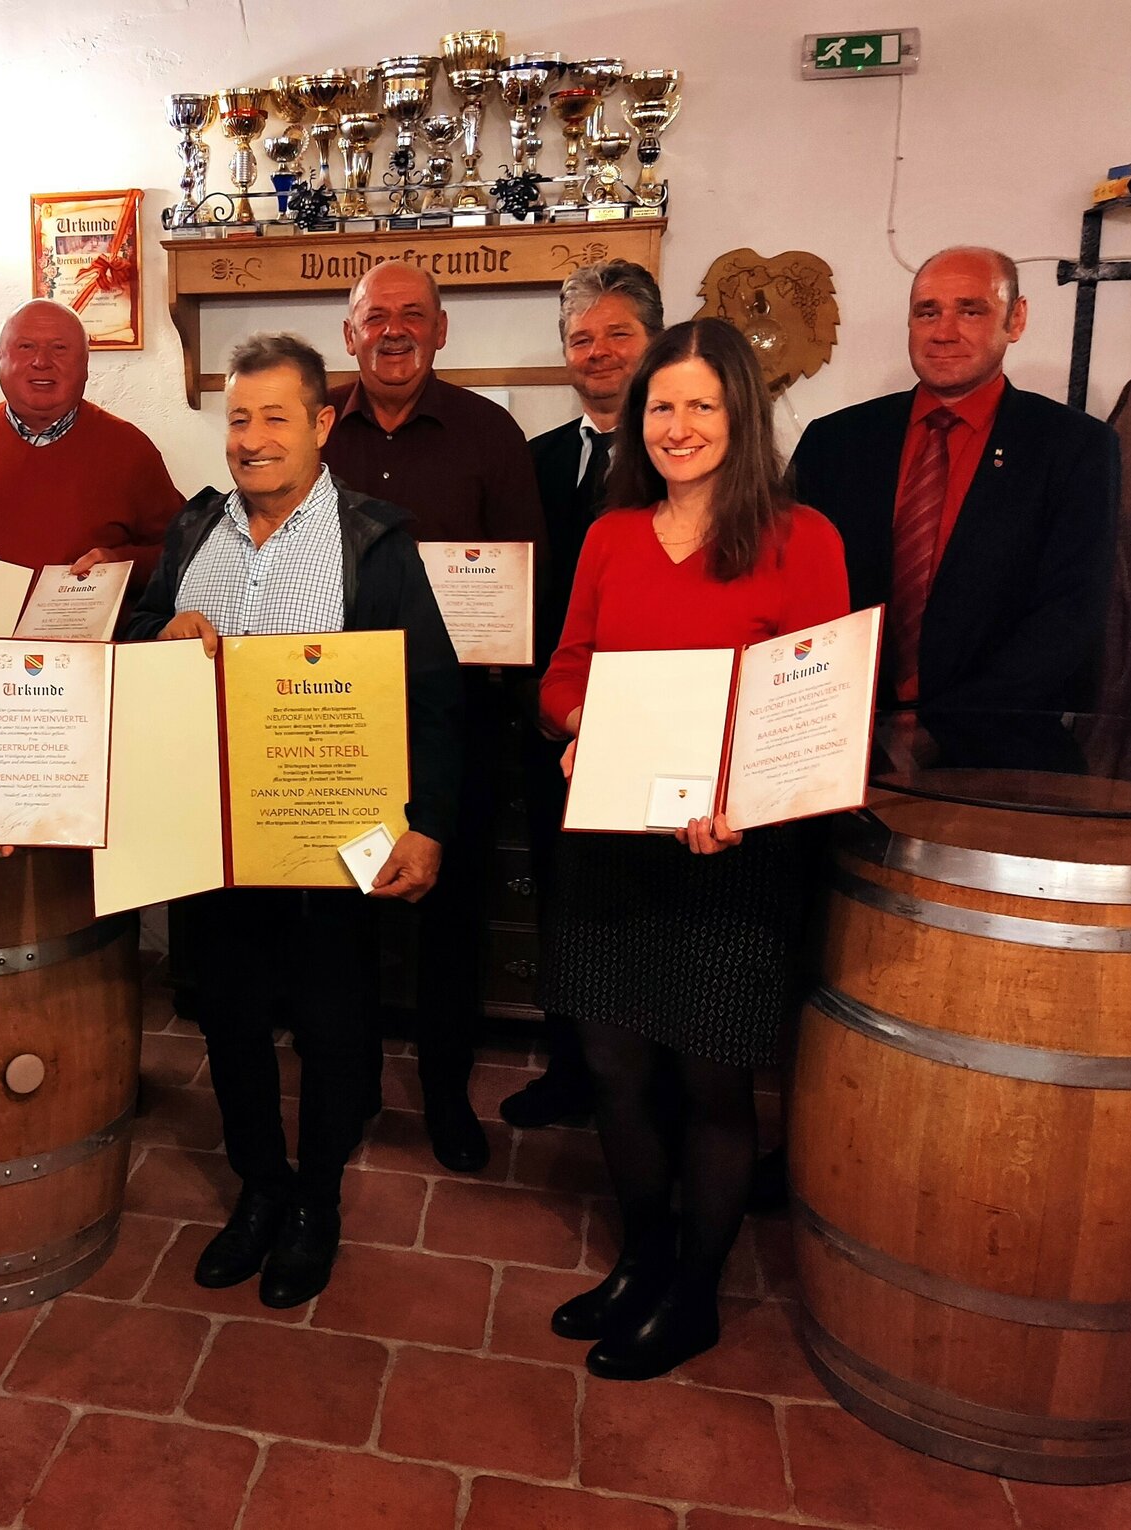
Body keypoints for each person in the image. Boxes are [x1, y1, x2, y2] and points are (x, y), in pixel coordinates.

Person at [538, 318, 849, 1380]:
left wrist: (744, 800)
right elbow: (562, 673)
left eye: (700, 406)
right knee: (613, 1064)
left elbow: (809, 711)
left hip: (730, 850)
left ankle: (696, 1296)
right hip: (612, 840)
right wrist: (577, 724)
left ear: (740, 418)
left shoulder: (801, 538)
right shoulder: (610, 536)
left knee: (712, 1085)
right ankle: (642, 1256)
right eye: (660, 406)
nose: (676, 426)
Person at [129, 332, 462, 1308]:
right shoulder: (190, 536)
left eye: (276, 416)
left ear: (321, 424)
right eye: (237, 418)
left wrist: (427, 824)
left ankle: (317, 1202)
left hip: (334, 841)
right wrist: (158, 631)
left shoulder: (374, 542)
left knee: (333, 1027)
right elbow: (137, 647)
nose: (252, 438)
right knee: (227, 1021)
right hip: (216, 841)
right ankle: (258, 1190)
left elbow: (435, 697)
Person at [320, 260, 547, 1173]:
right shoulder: (316, 427)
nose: (395, 330)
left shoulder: (492, 433)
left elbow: (527, 570)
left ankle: (447, 1093)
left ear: (442, 332)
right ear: (350, 333)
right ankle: (356, 1085)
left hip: (459, 720)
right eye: (377, 316)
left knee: (453, 920)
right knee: (345, 913)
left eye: (414, 315)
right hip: (335, 717)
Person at [790, 246, 1118, 712]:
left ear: (1016, 319)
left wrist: (939, 732)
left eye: (970, 310)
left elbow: (1069, 620)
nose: (944, 332)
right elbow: (791, 592)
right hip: (844, 734)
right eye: (928, 312)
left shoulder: (1075, 449)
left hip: (998, 754)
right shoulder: (835, 442)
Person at [503, 260, 662, 1133]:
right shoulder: (534, 462)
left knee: (646, 910)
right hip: (552, 725)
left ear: (656, 342)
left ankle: (644, 1087)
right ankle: (572, 1069)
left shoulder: (686, 457)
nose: (597, 352)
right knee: (565, 901)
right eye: (580, 337)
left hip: (655, 733)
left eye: (617, 334)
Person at [0, 298, 183, 580]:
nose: (41, 362)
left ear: (85, 364)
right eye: (25, 347)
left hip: (84, 624)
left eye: (59, 349)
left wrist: (122, 562)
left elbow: (180, 551)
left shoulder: (130, 450)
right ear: (0, 359)